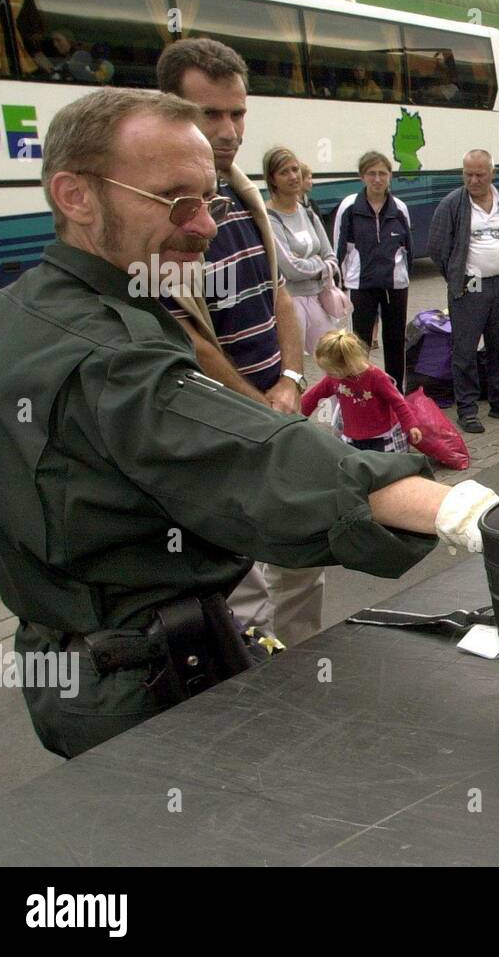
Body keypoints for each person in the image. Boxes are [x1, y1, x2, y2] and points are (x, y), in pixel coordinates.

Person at [0, 87, 499, 758]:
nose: (201, 227)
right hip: (149, 693)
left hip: (68, 672)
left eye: (210, 201)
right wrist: (466, 511)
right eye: (176, 201)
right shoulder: (111, 355)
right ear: (75, 196)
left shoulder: (9, 312)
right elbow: (262, 458)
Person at [157, 39, 321, 648]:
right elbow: (189, 337)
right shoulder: (168, 211)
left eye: (238, 113)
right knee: (244, 585)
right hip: (224, 427)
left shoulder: (242, 192)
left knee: (305, 553)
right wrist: (256, 402)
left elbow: (280, 295)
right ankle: (255, 701)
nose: (228, 130)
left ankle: (309, 666)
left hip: (280, 408)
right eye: (210, 114)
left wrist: (292, 381)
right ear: (169, 110)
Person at [427, 149, 499, 433]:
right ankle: (468, 409)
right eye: (468, 174)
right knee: (465, 350)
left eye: (479, 175)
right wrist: (456, 275)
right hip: (469, 287)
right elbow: (436, 247)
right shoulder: (452, 204)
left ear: (492, 174)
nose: (473, 180)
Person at [332, 150, 414, 390]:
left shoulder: (400, 208)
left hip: (395, 286)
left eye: (382, 173)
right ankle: (361, 392)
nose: (377, 179)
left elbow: (408, 249)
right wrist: (339, 284)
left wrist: (403, 278)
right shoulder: (349, 206)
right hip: (361, 285)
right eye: (371, 174)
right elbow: (338, 249)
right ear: (362, 177)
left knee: (395, 342)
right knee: (360, 344)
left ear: (390, 176)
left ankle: (395, 393)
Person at [263, 145, 340, 356]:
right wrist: (318, 263)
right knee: (293, 366)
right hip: (290, 302)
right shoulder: (270, 218)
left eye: (295, 169)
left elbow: (332, 257)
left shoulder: (308, 212)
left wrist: (313, 263)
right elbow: (290, 269)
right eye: (284, 172)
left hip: (319, 299)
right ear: (272, 179)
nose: (293, 176)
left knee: (334, 361)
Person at [301, 330, 423, 452]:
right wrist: (297, 415)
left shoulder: (376, 377)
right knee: (354, 467)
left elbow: (398, 402)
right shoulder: (333, 378)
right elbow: (313, 396)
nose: (327, 374)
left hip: (381, 435)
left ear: (347, 364)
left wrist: (410, 425)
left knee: (385, 467)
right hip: (351, 436)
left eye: (331, 370)